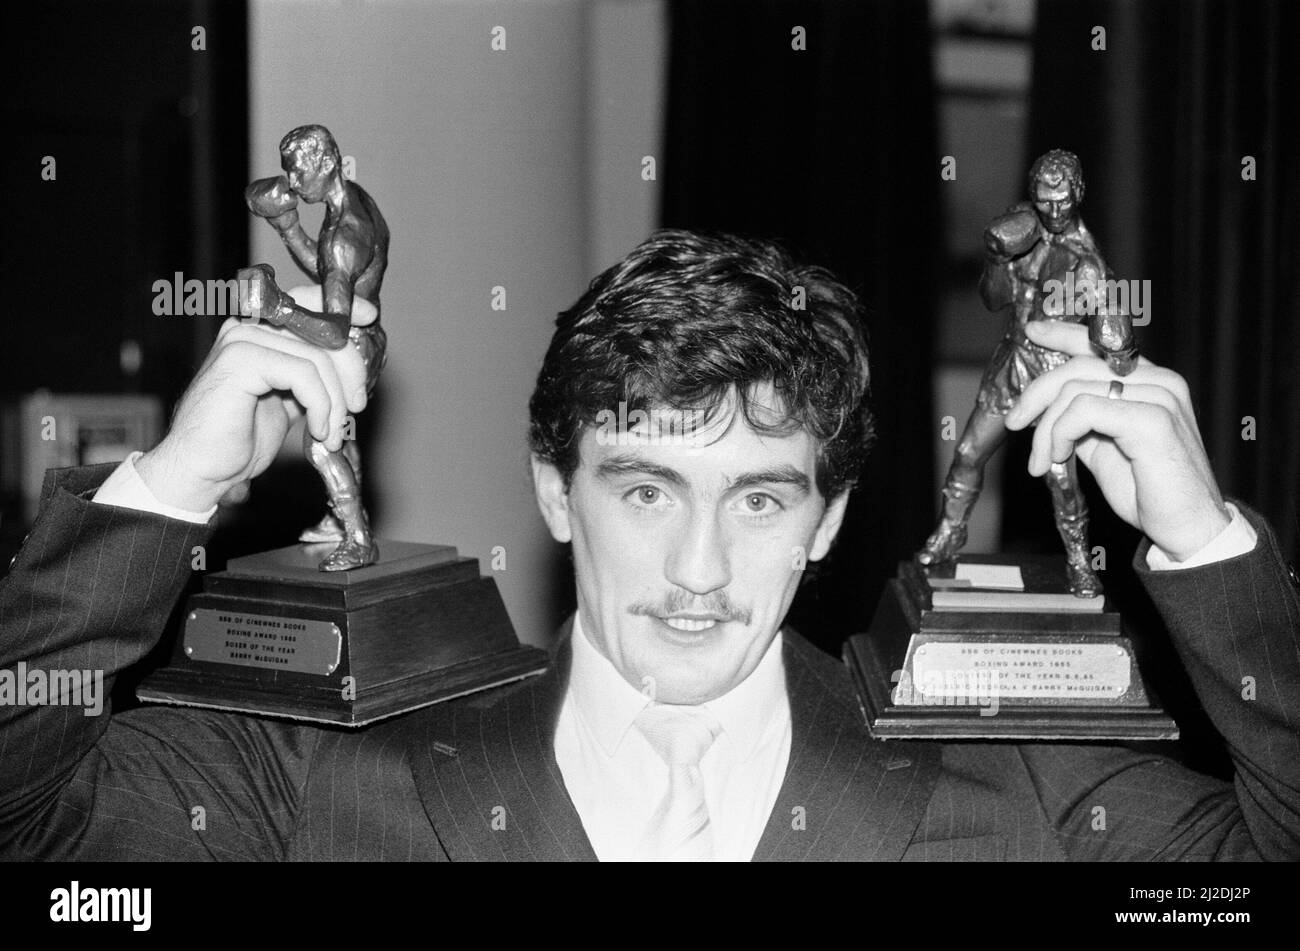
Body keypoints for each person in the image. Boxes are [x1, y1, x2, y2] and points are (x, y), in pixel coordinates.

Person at [1, 230, 1296, 861]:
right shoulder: (322, 773)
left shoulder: (1023, 792)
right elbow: (30, 810)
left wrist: (1198, 535)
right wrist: (173, 485)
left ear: (831, 521)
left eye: (759, 499)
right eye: (645, 490)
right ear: (556, 496)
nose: (697, 570)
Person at [918, 150, 1134, 596]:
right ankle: (949, 535)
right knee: (967, 454)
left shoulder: (1086, 261)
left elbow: (1113, 339)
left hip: (1054, 374)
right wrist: (998, 258)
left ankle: (1078, 561)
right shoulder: (1023, 229)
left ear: (1078, 195)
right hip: (1010, 361)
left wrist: (1114, 336)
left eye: (1061, 201)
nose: (1052, 211)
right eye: (1044, 200)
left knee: (1060, 479)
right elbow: (993, 300)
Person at [242, 124, 390, 570]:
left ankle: (359, 538)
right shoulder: (350, 199)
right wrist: (288, 228)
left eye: (298, 173)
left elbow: (333, 329)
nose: (292, 183)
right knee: (341, 434)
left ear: (327, 164)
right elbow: (329, 272)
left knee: (322, 445)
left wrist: (279, 308)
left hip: (353, 346)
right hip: (368, 337)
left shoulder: (344, 234)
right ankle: (341, 519)